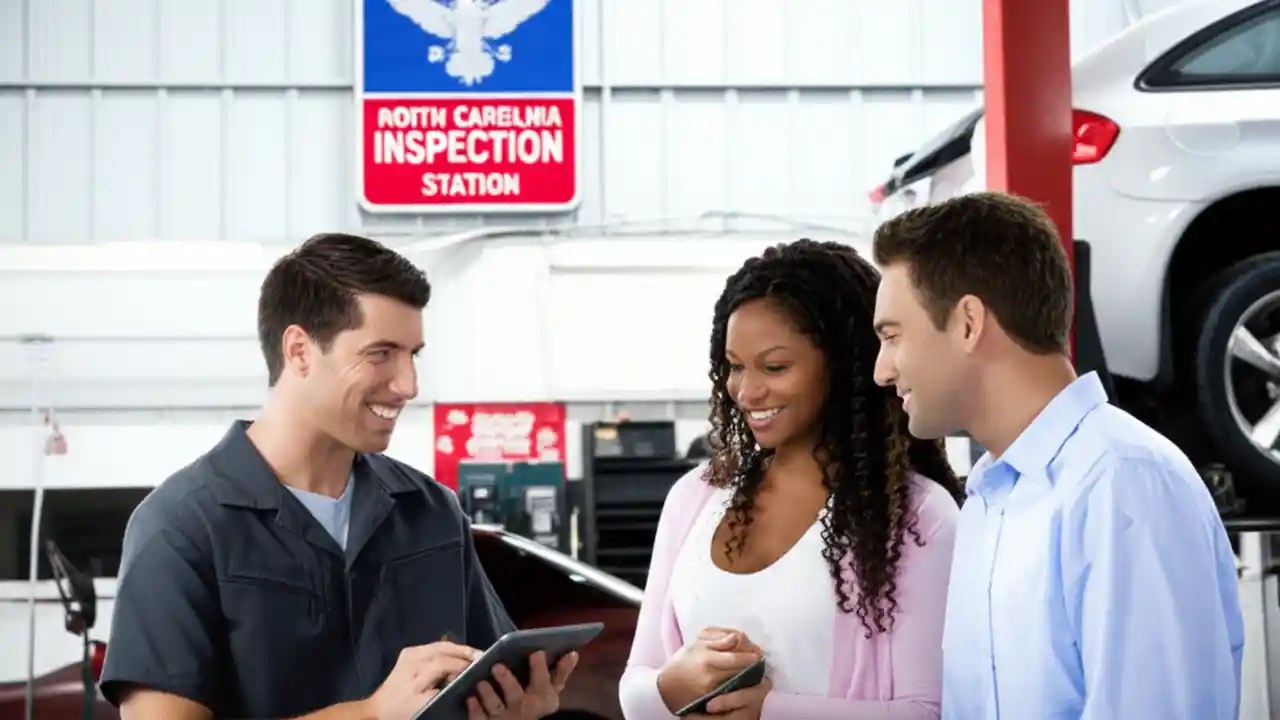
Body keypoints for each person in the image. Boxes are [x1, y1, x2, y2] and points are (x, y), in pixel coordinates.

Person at [98, 233, 578, 720]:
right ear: (300, 350)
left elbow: (477, 682)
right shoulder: (180, 527)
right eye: (380, 353)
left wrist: (515, 710)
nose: (408, 385)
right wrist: (370, 715)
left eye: (413, 354)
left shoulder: (431, 512)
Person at [870, 191, 1246, 720]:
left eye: (892, 336)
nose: (881, 371)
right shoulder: (989, 495)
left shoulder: (1122, 482)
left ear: (969, 322)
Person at [619, 239, 964, 719]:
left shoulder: (917, 518)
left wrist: (771, 712)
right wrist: (668, 687)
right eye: (735, 367)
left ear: (844, 364)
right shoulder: (695, 498)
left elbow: (929, 713)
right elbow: (636, 689)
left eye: (775, 366)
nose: (748, 390)